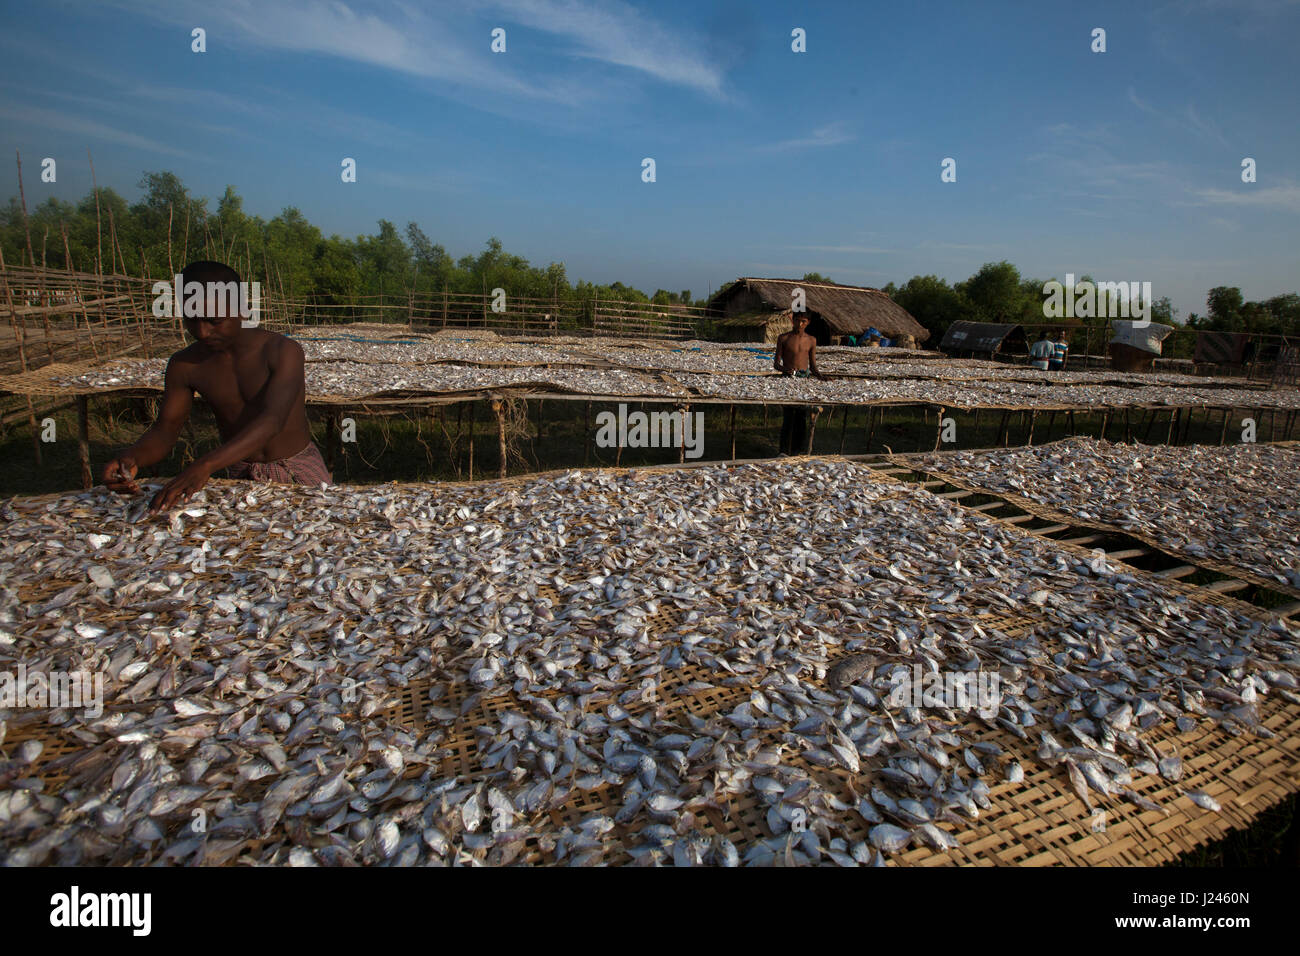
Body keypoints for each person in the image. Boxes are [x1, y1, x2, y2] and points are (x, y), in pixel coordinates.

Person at [103, 260, 330, 512]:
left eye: (214, 320)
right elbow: (166, 429)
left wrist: (206, 465)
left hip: (296, 466)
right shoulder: (185, 364)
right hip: (240, 472)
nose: (201, 331)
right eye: (192, 319)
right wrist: (132, 457)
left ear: (241, 309)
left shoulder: (282, 351)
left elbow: (272, 421)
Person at [774, 312, 825, 455]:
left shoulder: (811, 340)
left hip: (804, 380)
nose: (800, 324)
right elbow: (776, 364)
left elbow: (813, 366)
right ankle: (784, 450)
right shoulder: (783, 338)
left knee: (801, 418)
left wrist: (822, 377)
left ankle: (797, 451)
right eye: (797, 321)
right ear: (793, 321)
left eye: (803, 321)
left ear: (808, 322)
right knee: (788, 417)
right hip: (788, 379)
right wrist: (786, 369)